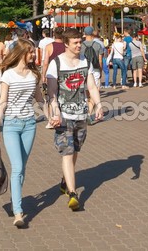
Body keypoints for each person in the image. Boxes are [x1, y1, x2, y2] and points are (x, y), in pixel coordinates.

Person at [46, 28, 104, 211]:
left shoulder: (85, 61)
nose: (80, 45)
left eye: (80, 42)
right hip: (63, 116)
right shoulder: (55, 64)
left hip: (81, 114)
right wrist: (55, 113)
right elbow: (52, 93)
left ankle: (65, 180)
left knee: (76, 148)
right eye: (76, 43)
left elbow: (91, 86)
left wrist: (99, 105)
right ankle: (72, 193)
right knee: (67, 152)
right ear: (66, 44)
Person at [0, 39, 45, 229]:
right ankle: (18, 212)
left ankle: (15, 196)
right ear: (22, 52)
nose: (33, 55)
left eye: (34, 52)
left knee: (22, 167)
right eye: (30, 52)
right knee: (16, 167)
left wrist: (52, 116)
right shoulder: (8, 75)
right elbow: (3, 103)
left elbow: (40, 99)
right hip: (11, 126)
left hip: (30, 124)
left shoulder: (33, 75)